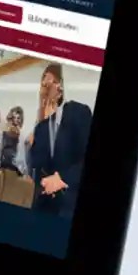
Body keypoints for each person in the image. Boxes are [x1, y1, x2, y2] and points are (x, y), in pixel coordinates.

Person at [27, 63, 93, 217]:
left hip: (69, 205)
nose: (45, 89)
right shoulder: (41, 128)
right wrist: (41, 118)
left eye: (50, 83)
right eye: (43, 86)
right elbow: (35, 168)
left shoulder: (78, 112)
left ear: (60, 86)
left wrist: (63, 179)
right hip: (44, 207)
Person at [0, 106, 29, 176]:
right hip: (2, 171)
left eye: (18, 118)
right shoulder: (2, 135)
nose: (16, 120)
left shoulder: (24, 139)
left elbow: (24, 162)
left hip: (17, 173)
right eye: (13, 117)